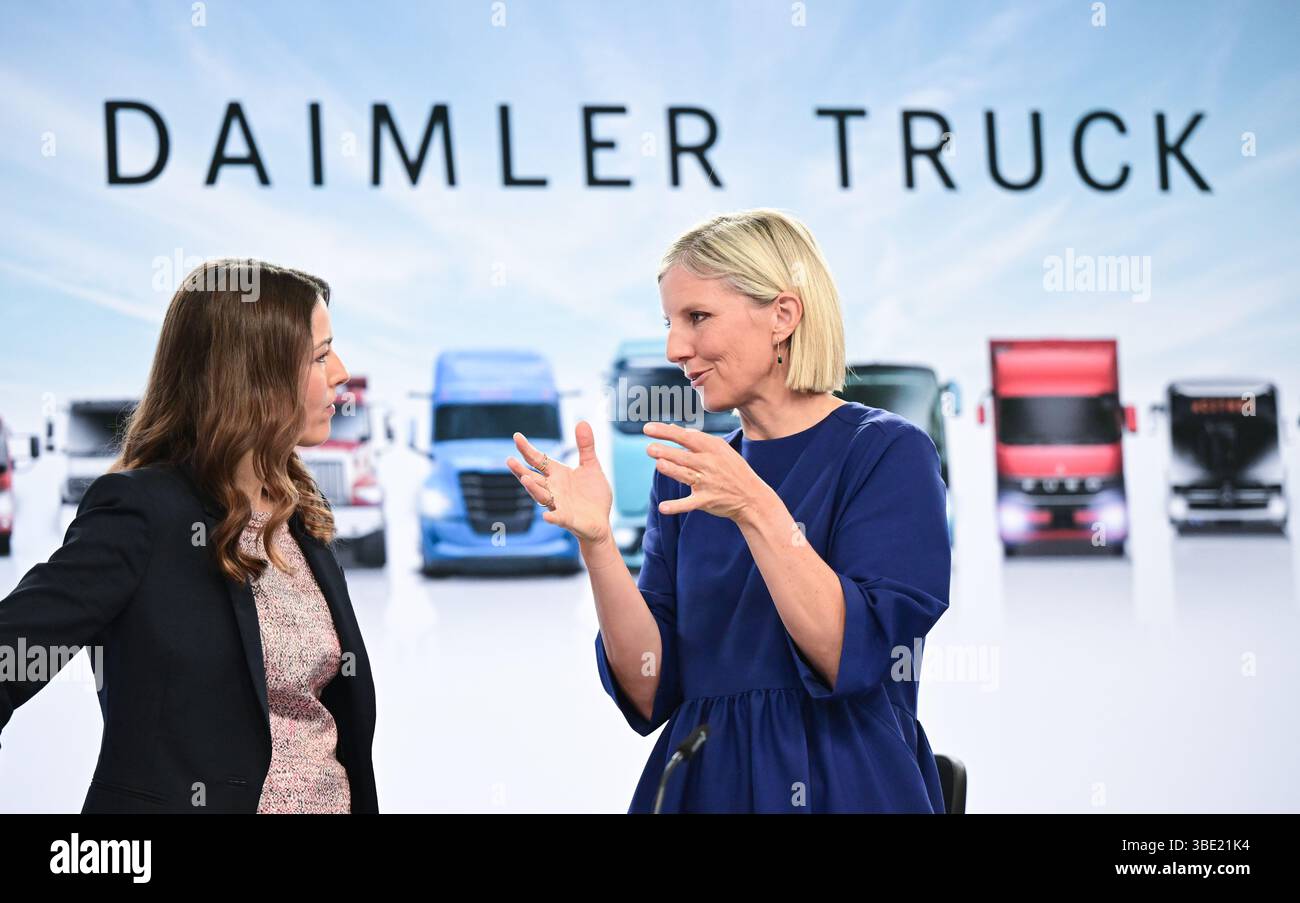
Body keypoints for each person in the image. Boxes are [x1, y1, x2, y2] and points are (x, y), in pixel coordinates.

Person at [507, 209, 951, 812]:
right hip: (704, 784)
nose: (674, 347)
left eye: (697, 317)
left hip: (846, 782)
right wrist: (598, 543)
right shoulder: (687, 472)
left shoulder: (886, 452)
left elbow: (849, 651)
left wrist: (753, 505)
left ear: (783, 316)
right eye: (669, 322)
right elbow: (647, 689)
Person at [0, 259, 378, 813]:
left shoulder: (299, 516)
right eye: (320, 356)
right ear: (255, 376)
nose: (341, 372)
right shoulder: (141, 512)